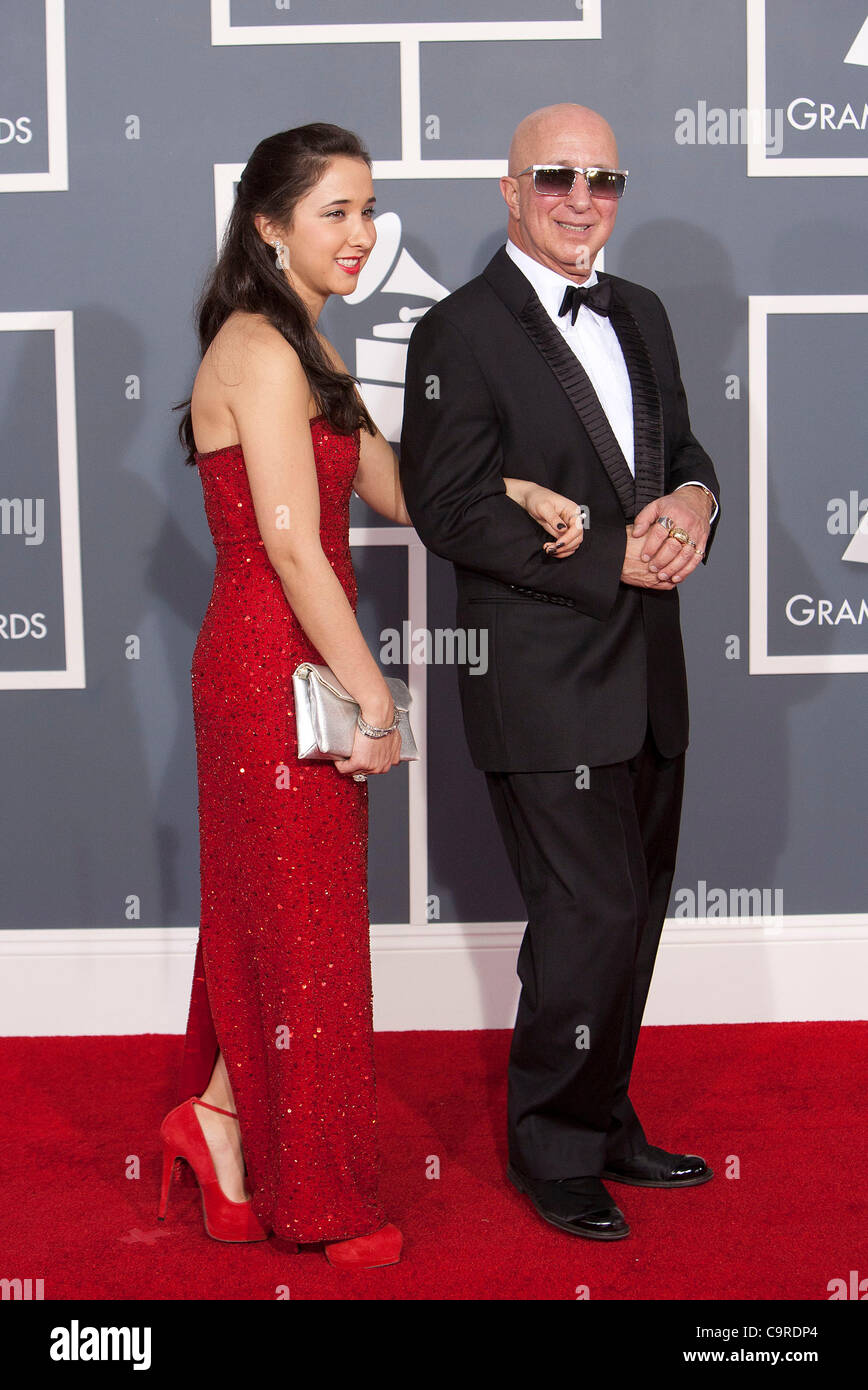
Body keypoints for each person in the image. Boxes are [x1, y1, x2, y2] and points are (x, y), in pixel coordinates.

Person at [160, 122, 589, 1268]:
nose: (361, 236)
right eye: (334, 213)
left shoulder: (308, 344)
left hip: (296, 654)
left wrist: (513, 484)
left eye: (367, 211)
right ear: (268, 225)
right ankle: (316, 1195)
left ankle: (213, 1120)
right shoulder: (256, 349)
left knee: (295, 926)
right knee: (298, 931)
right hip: (271, 664)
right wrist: (379, 702)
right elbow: (296, 552)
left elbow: (400, 490)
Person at [399, 104, 721, 1241]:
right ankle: (551, 1150)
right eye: (555, 176)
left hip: (651, 676)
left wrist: (694, 501)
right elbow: (446, 507)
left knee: (628, 921)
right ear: (507, 187)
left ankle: (603, 1116)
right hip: (540, 680)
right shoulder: (458, 332)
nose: (581, 198)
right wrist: (600, 547)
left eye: (603, 178)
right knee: (586, 917)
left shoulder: (640, 311)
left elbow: (679, 453)